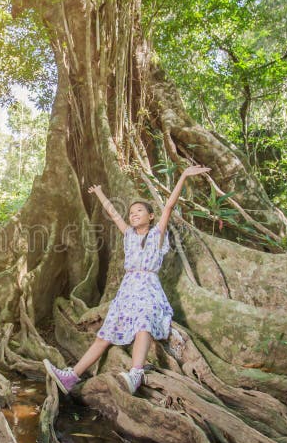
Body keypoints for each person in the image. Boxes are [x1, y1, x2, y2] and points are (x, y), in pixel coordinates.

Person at [44, 165, 211, 395]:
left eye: (139, 211)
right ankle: (71, 377)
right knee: (104, 335)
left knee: (143, 322)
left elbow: (169, 206)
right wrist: (100, 192)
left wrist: (182, 176)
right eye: (131, 212)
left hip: (149, 288)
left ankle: (136, 373)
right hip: (127, 291)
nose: (133, 214)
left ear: (150, 216)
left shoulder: (156, 234)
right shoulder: (129, 235)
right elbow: (113, 213)